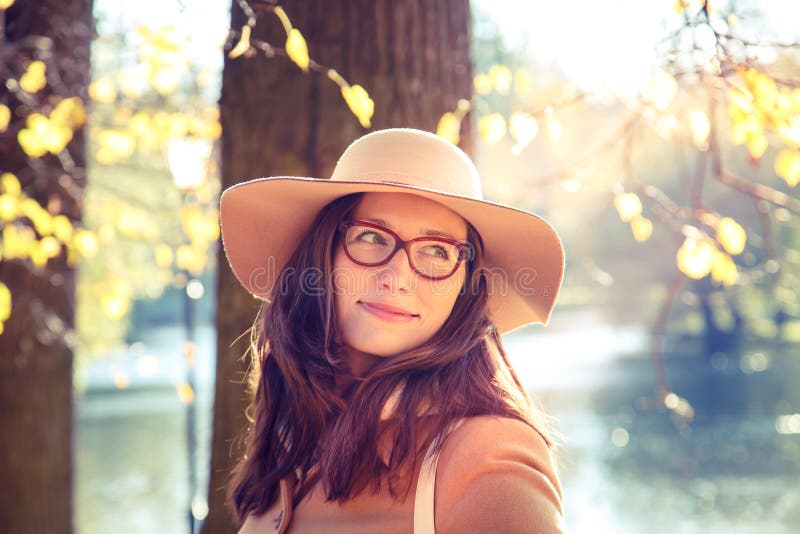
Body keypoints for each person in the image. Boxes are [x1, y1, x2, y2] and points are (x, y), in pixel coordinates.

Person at [218, 128, 567, 533]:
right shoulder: (291, 444)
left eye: (437, 250)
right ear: (322, 254)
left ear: (465, 287)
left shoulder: (487, 454)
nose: (397, 276)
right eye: (371, 237)